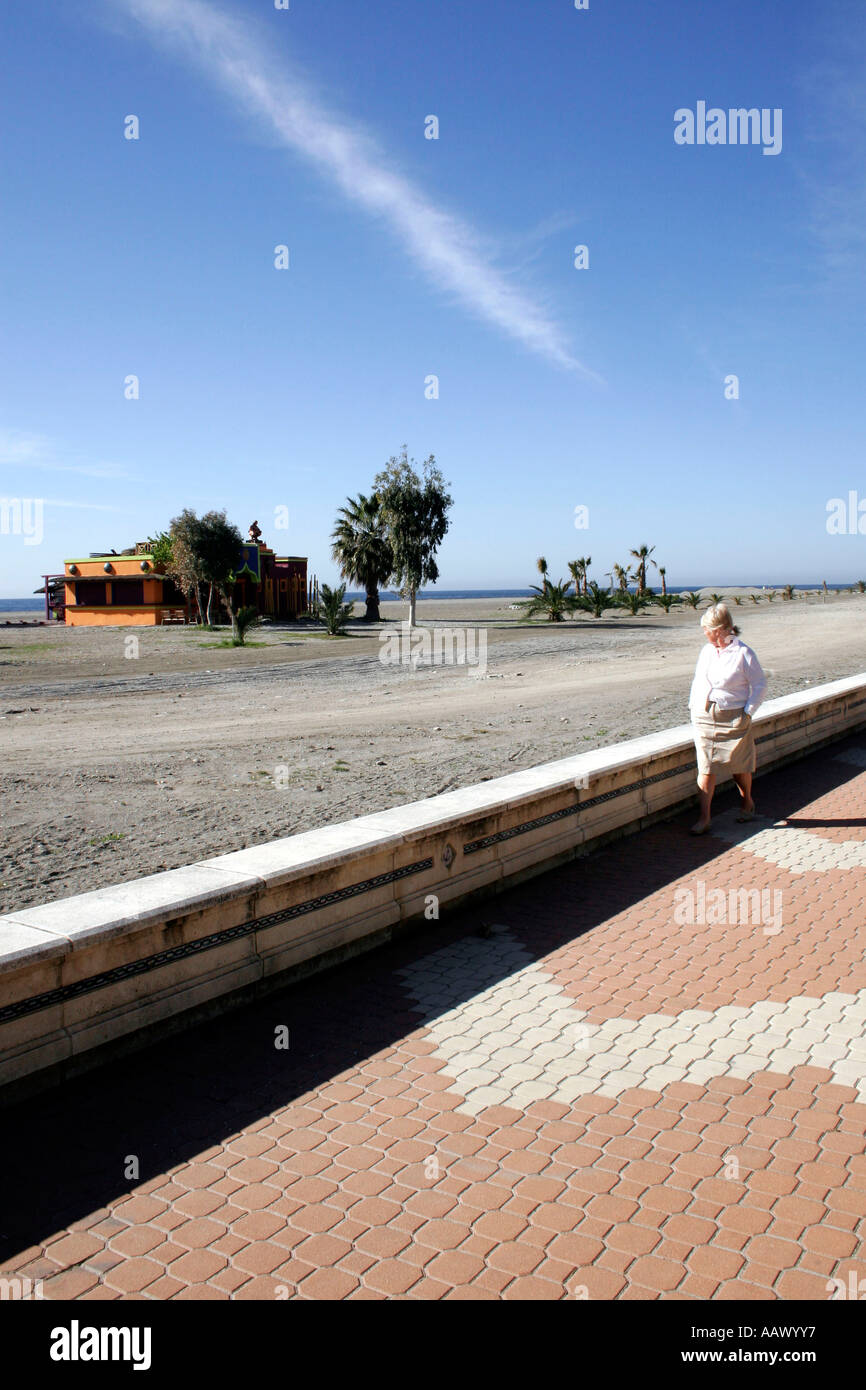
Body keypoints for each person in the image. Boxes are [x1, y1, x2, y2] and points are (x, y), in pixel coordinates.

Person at [688, 602, 767, 835]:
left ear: (722, 629)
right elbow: (698, 680)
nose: (705, 634)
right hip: (704, 716)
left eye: (708, 630)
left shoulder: (744, 653)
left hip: (733, 717)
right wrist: (694, 707)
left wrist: (748, 712)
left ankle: (747, 802)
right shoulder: (706, 651)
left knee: (739, 766)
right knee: (706, 767)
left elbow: (760, 684)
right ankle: (705, 818)